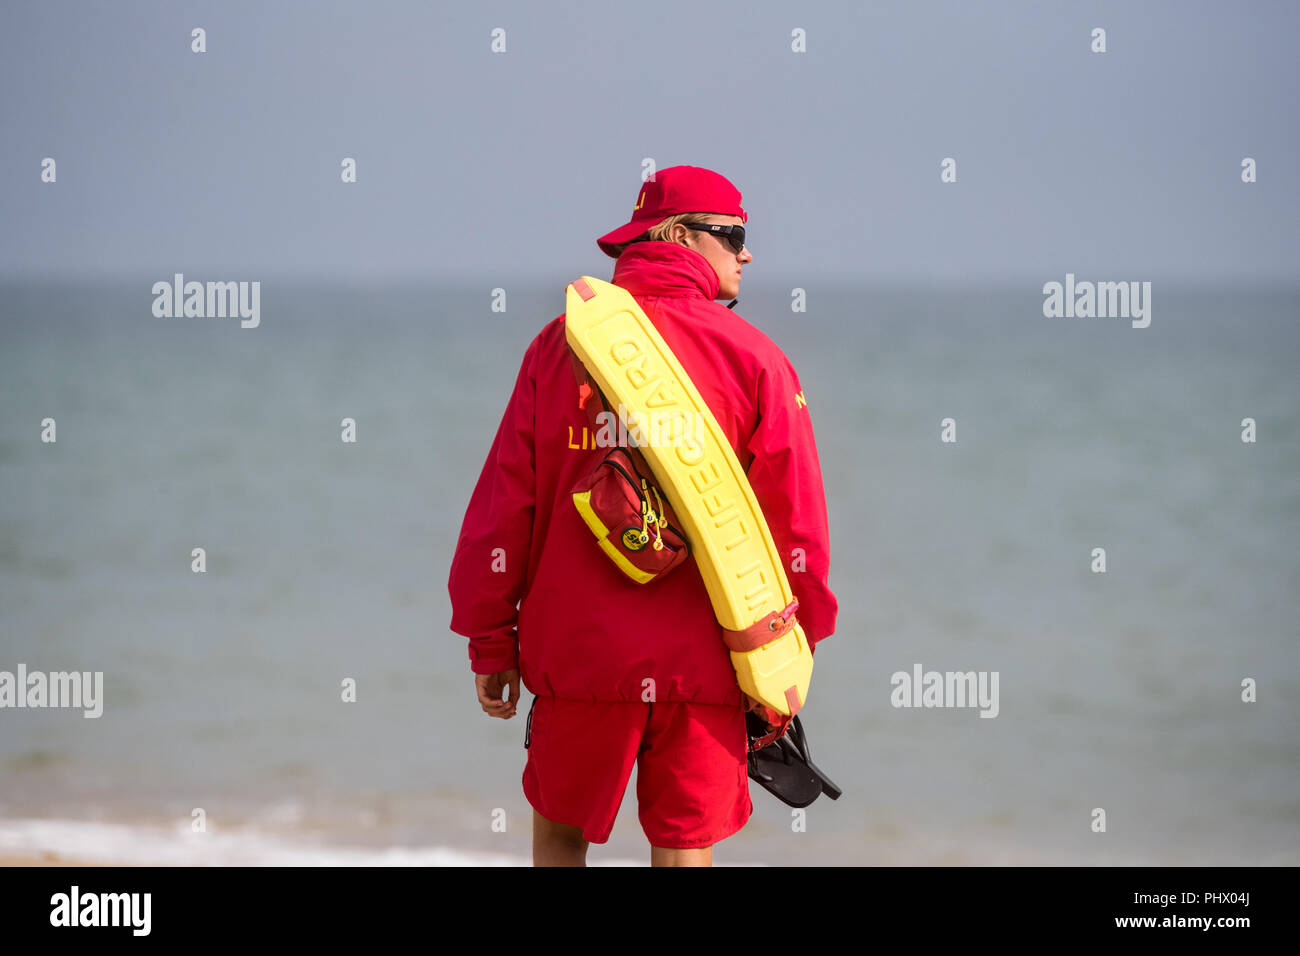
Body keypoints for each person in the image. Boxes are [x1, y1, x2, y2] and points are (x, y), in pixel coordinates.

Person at [448, 165, 837, 866]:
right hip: (706, 668)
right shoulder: (757, 360)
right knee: (684, 850)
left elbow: (505, 506)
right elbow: (797, 522)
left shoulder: (558, 347)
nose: (746, 253)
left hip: (579, 659)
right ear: (679, 236)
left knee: (560, 838)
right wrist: (794, 647)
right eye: (733, 236)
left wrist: (489, 637)